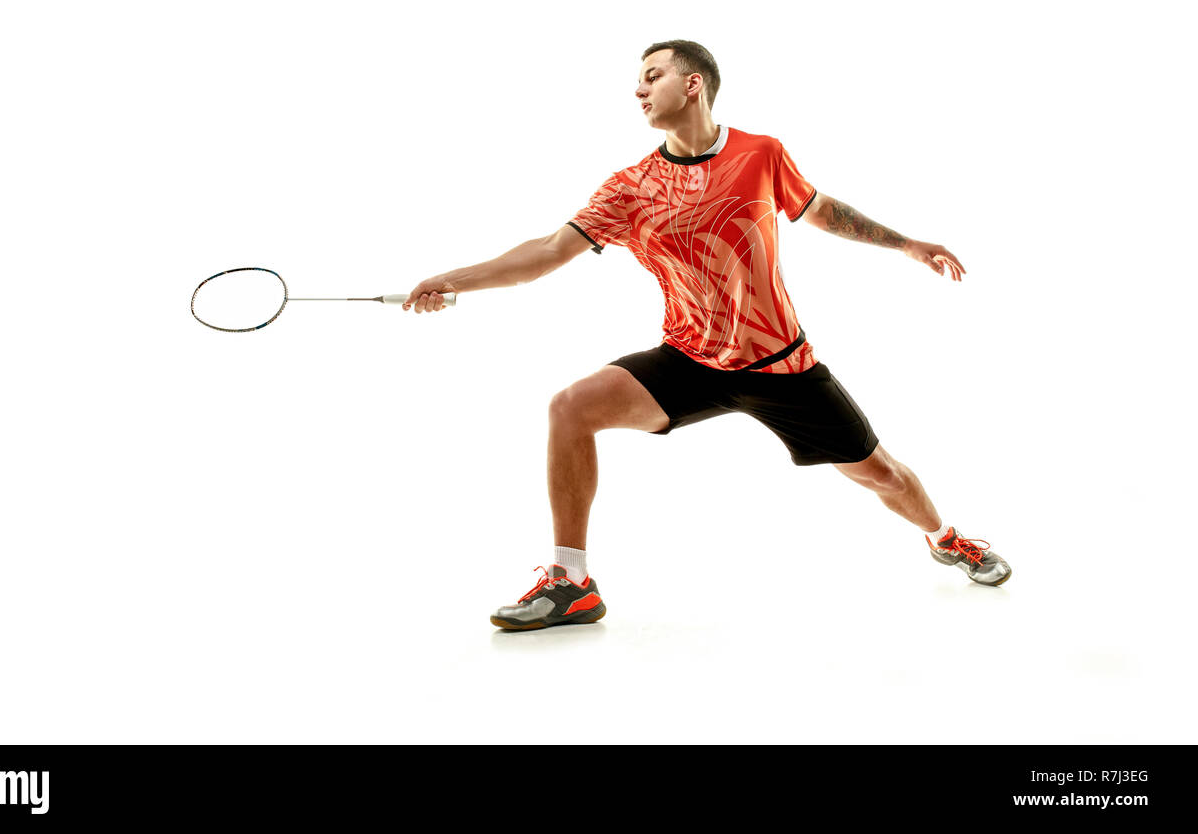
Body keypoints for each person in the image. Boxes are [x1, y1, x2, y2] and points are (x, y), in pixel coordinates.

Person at [403, 40, 1011, 631]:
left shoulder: (761, 153)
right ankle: (572, 584)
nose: (638, 89)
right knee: (570, 408)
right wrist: (450, 279)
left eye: (653, 75)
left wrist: (907, 244)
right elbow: (544, 253)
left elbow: (821, 210)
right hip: (688, 361)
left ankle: (947, 538)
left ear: (693, 84)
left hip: (782, 366)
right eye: (638, 79)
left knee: (883, 475)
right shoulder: (630, 187)